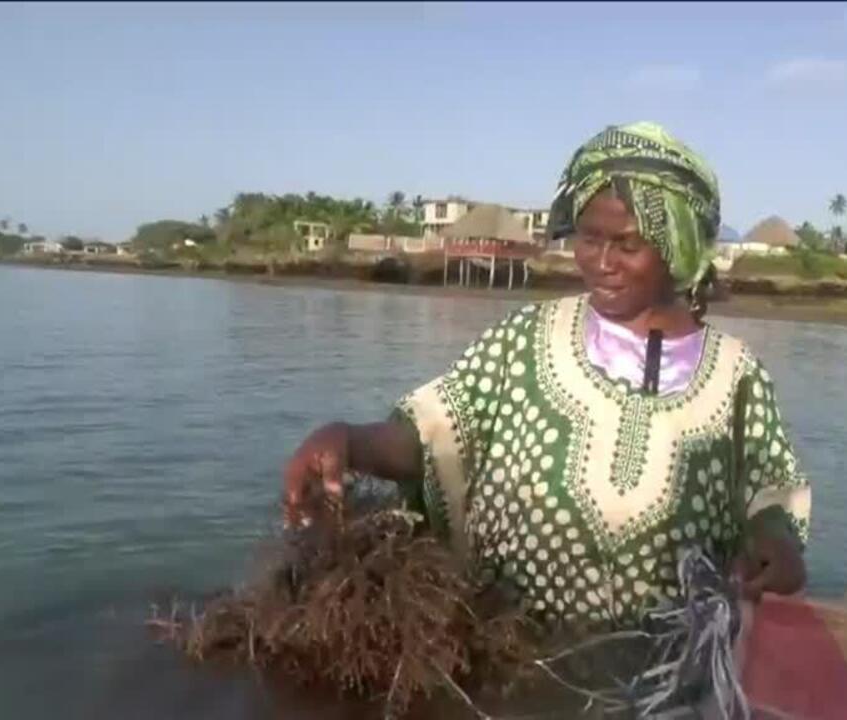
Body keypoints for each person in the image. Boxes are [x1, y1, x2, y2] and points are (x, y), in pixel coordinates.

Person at [283, 122, 811, 630]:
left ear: (680, 248)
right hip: (509, 656)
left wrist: (774, 536)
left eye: (627, 245)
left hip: (670, 673)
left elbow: (769, 487)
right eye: (587, 238)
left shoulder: (736, 375)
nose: (601, 262)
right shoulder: (528, 339)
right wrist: (347, 439)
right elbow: (431, 433)